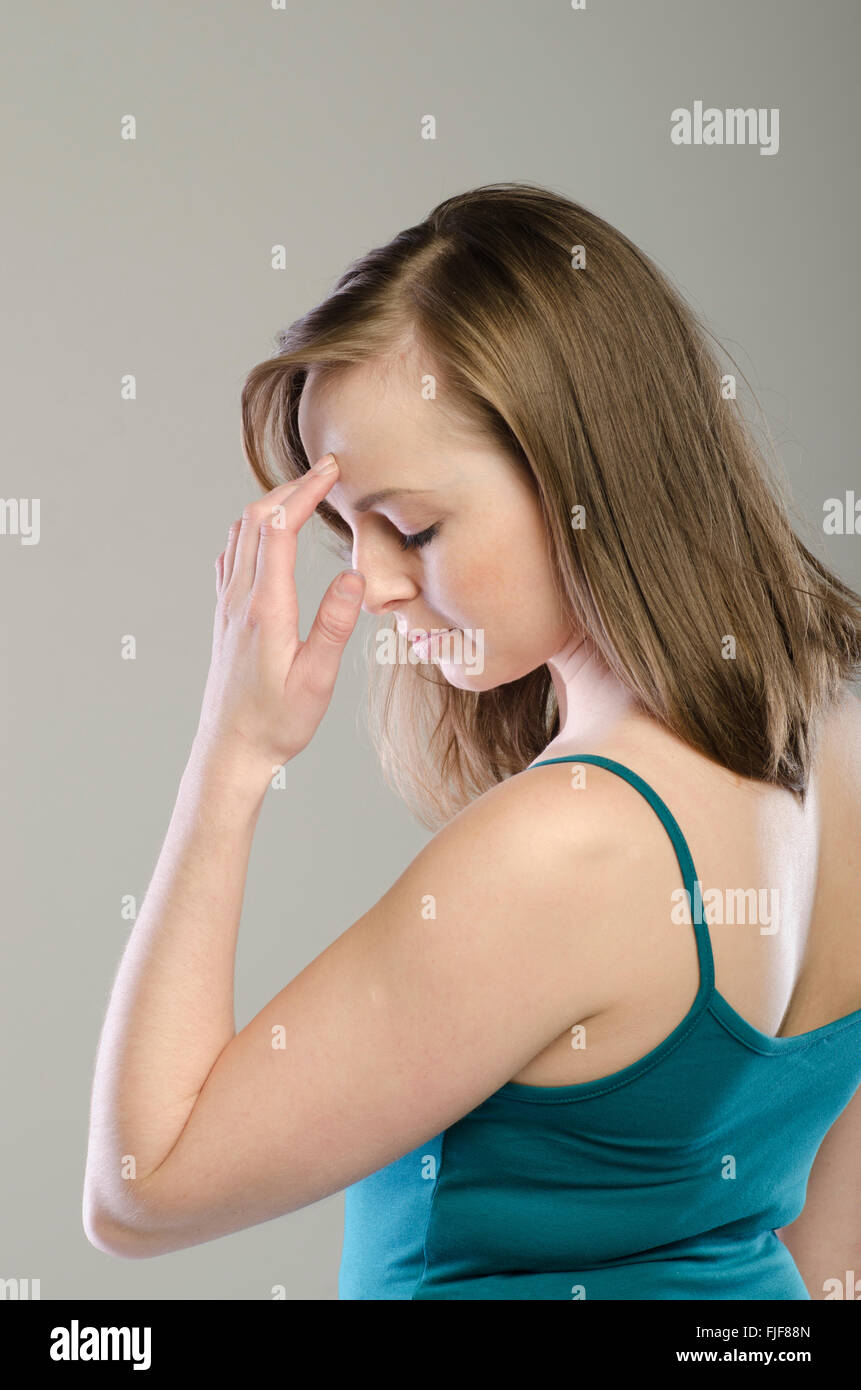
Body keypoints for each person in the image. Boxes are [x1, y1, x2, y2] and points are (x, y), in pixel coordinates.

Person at [83, 182, 861, 1299]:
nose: (371, 583)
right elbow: (832, 1264)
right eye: (347, 532)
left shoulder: (568, 846)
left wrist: (235, 754)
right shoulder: (841, 732)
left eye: (412, 526)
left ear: (583, 470)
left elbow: (136, 1188)